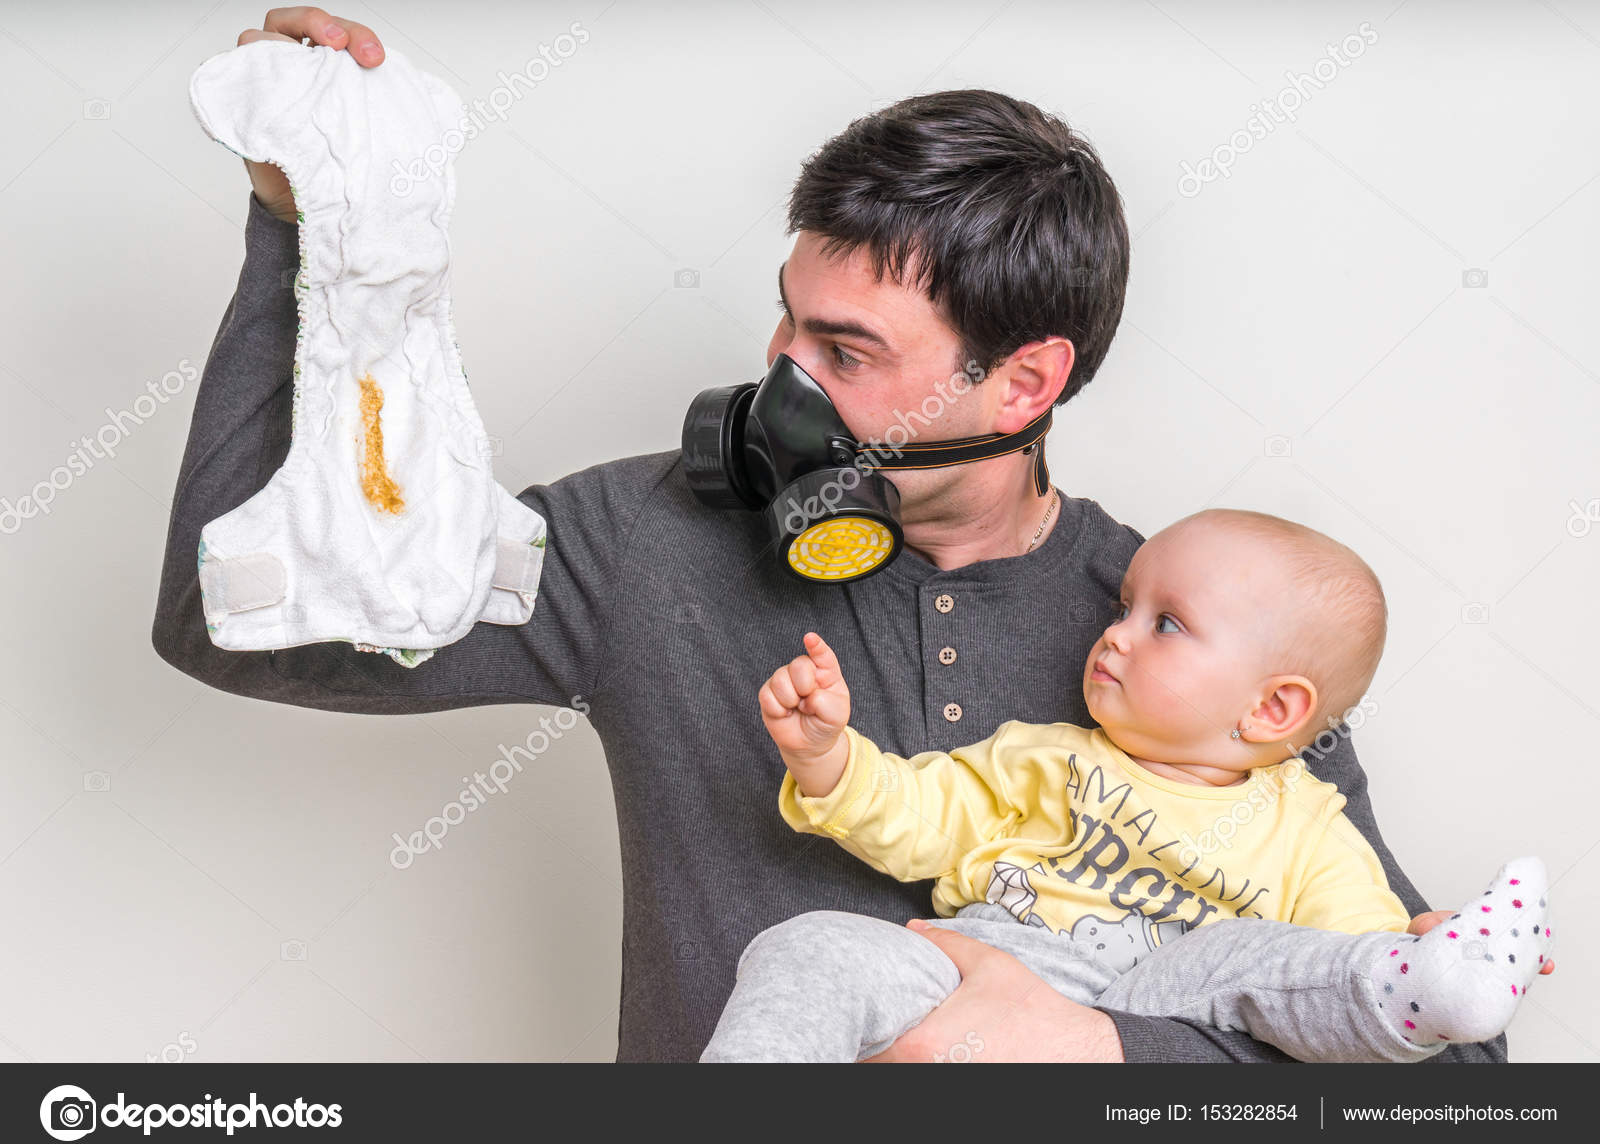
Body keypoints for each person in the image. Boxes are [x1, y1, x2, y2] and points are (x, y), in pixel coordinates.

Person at [153, 8, 1509, 1062]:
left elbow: (1454, 1058)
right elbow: (230, 622)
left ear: (1023, 383)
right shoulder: (648, 539)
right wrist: (303, 229)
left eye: (846, 349)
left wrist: (1109, 1043)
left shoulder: (1201, 639)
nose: (781, 373)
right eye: (789, 318)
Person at [700, 510, 1554, 1061]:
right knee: (807, 942)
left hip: (1168, 1008)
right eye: (1123, 607)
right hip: (984, 971)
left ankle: (1440, 983)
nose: (1116, 636)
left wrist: (1414, 943)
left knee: (1254, 959)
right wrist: (827, 757)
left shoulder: (1308, 824)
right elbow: (920, 814)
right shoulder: (1046, 757)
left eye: (1166, 623)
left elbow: (1331, 962)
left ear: (1271, 708)